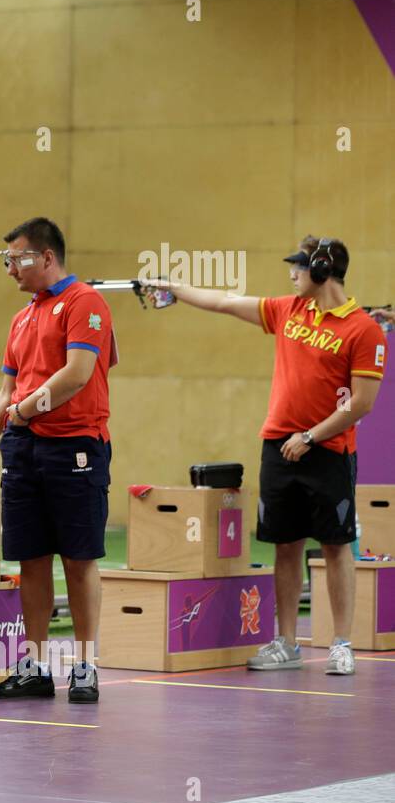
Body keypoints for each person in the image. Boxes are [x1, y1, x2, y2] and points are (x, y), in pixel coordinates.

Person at [143, 236, 385, 675]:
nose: (291, 274)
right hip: (278, 447)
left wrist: (311, 436)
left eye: (298, 267)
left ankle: (341, 644)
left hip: (328, 450)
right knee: (285, 546)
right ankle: (286, 642)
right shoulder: (287, 310)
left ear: (323, 271)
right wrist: (174, 289)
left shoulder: (363, 330)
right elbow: (223, 301)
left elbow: (361, 403)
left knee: (335, 547)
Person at [0, 218, 116, 704]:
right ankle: (35, 665)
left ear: (47, 257)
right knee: (31, 559)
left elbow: (77, 374)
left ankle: (84, 665)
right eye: (6, 260)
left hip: (75, 447)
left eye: (17, 258)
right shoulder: (21, 319)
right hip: (22, 449)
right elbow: (5, 394)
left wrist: (25, 408)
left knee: (79, 559)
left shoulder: (85, 303)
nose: (10, 268)